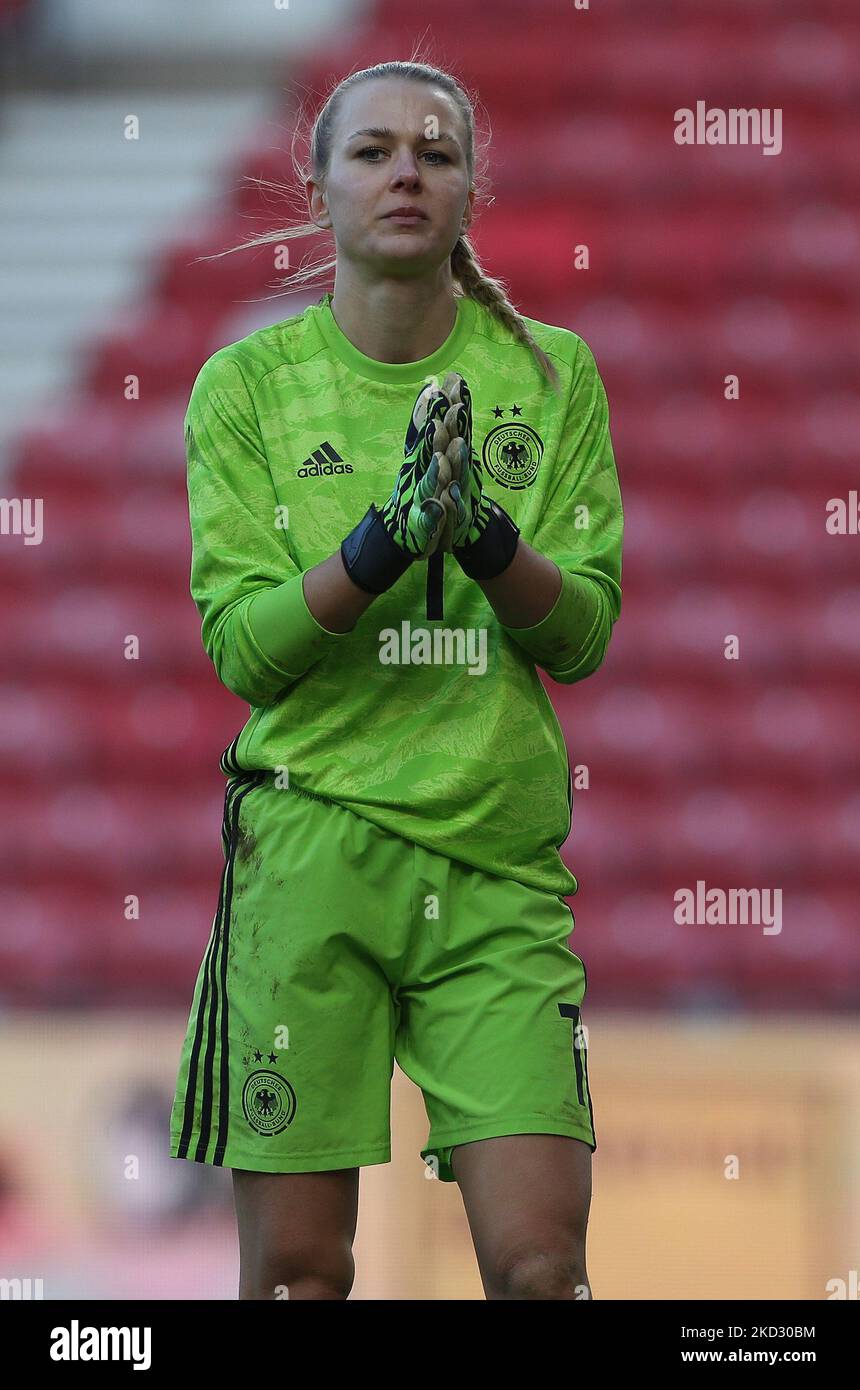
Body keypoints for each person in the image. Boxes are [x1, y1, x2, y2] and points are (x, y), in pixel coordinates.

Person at [169, 57, 623, 1301]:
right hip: (308, 855)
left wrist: (478, 533)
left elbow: (580, 634)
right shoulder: (246, 388)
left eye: (433, 150)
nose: (405, 172)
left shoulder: (553, 378)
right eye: (371, 151)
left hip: (492, 863)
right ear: (318, 191)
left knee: (541, 1268)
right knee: (301, 1277)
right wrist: (381, 542)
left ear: (472, 187)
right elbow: (246, 651)